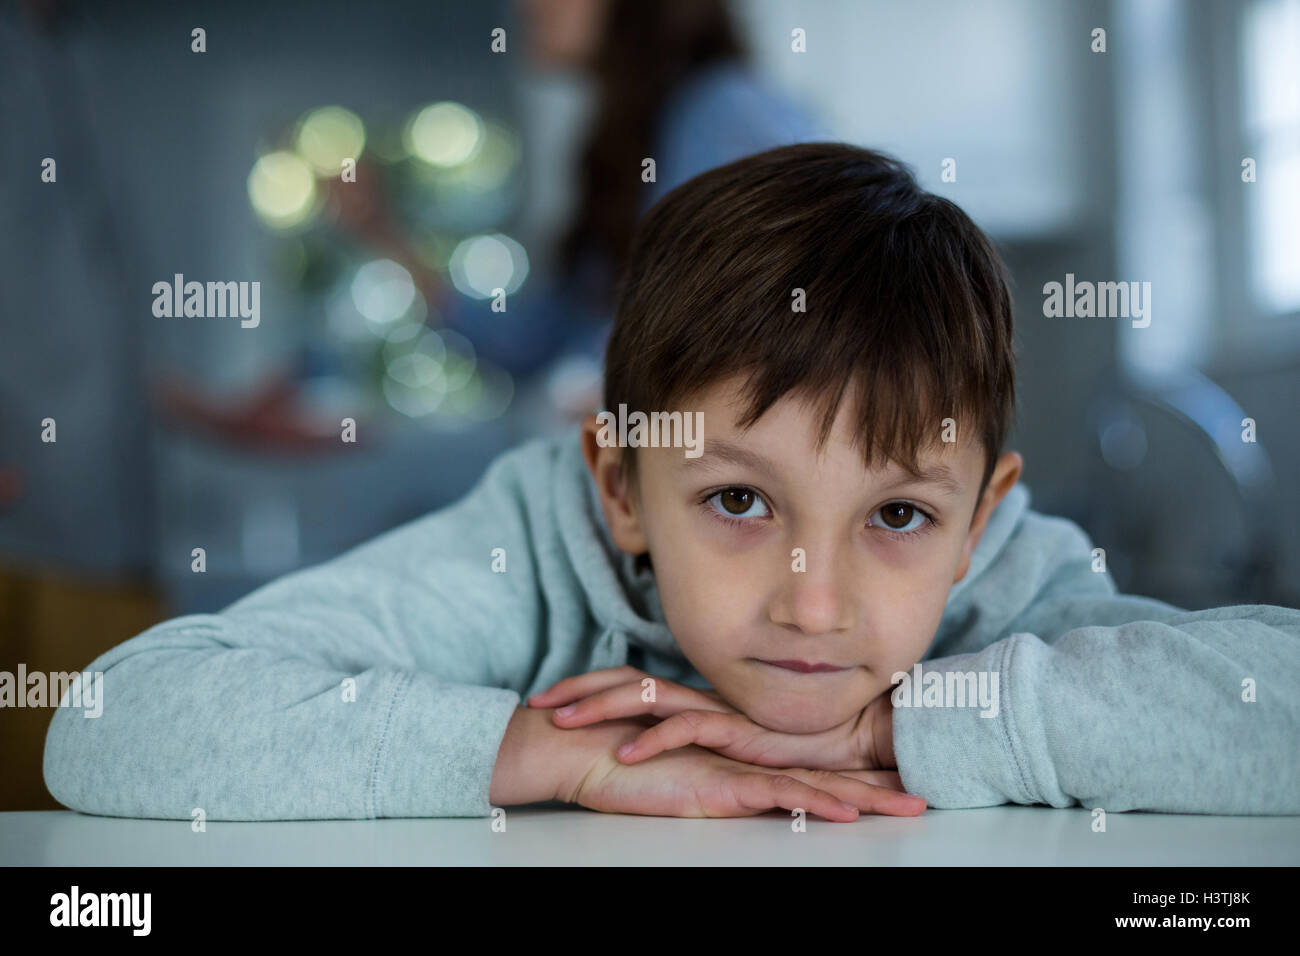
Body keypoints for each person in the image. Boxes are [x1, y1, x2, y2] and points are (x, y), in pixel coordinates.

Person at [44, 143, 1300, 821]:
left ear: (979, 517)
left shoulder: (1016, 575)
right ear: (620, 481)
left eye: (900, 516)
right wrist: (548, 751)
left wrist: (902, 725)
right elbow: (116, 722)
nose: (815, 606)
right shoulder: (535, 541)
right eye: (739, 501)